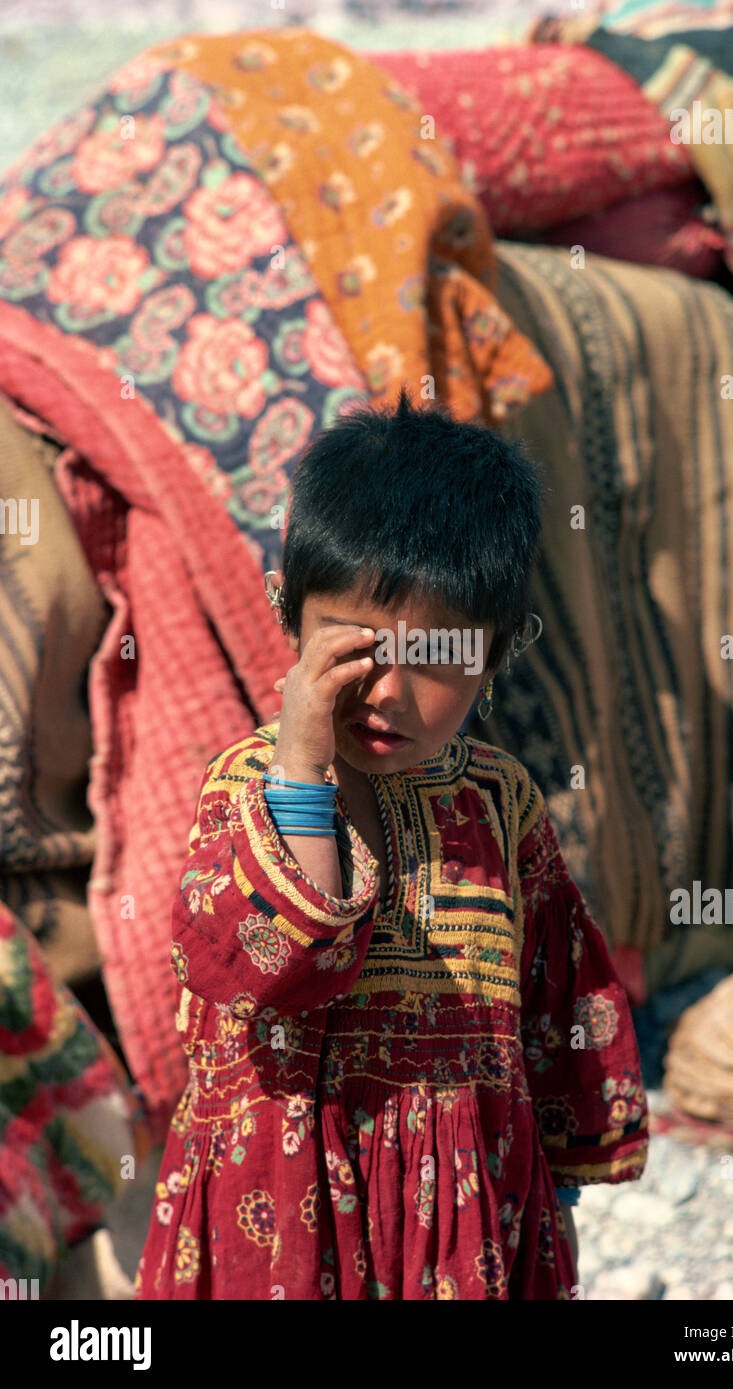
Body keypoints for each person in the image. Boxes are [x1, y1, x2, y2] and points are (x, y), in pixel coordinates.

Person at [134, 387, 648, 1301]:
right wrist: (300, 767)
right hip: (281, 1200)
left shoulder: (500, 802)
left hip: (461, 1210)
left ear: (497, 656)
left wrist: (554, 1178)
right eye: (355, 649)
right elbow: (252, 968)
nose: (389, 693)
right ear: (288, 617)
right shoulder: (249, 784)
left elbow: (556, 985)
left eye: (441, 657)